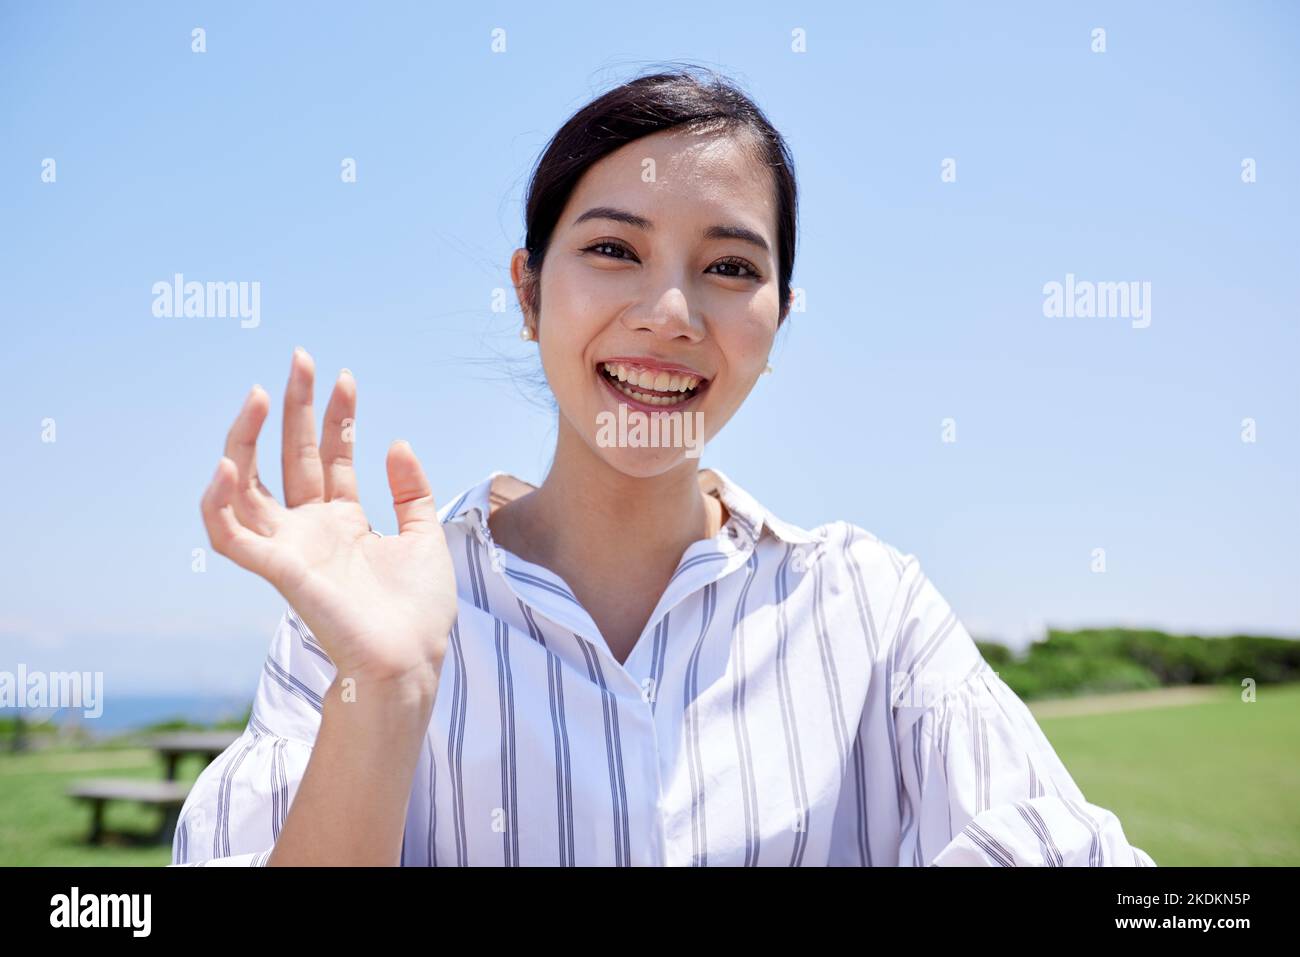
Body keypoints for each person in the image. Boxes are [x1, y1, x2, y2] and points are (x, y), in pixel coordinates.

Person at [171, 66, 1155, 867]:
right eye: (612, 249)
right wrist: (383, 694)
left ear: (777, 317)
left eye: (730, 268)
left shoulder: (870, 609)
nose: (670, 315)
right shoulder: (362, 624)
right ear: (527, 293)